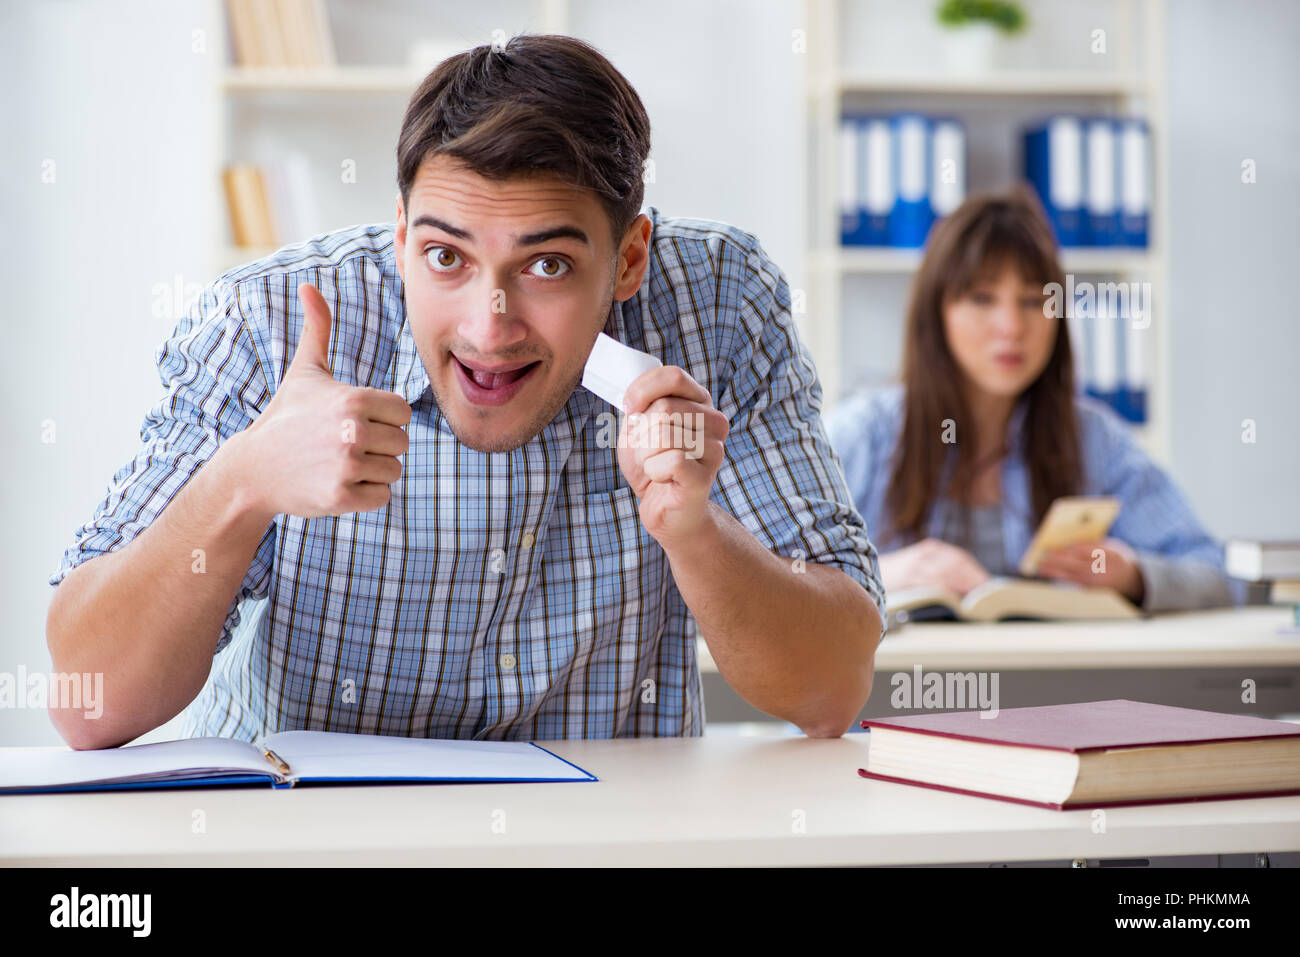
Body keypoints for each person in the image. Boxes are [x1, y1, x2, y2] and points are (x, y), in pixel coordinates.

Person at [47, 35, 883, 749]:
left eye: (547, 265)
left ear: (630, 258)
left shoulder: (717, 304)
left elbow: (830, 689)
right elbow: (89, 704)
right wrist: (242, 484)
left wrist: (696, 532)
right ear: (402, 233)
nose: (491, 327)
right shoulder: (268, 321)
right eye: (447, 257)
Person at [828, 186, 1241, 614]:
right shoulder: (863, 434)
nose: (1010, 326)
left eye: (1032, 301)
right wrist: (878, 574)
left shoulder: (1095, 440)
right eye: (982, 299)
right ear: (937, 314)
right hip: (909, 681)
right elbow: (776, 576)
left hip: (1062, 681)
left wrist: (1134, 575)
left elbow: (1219, 576)